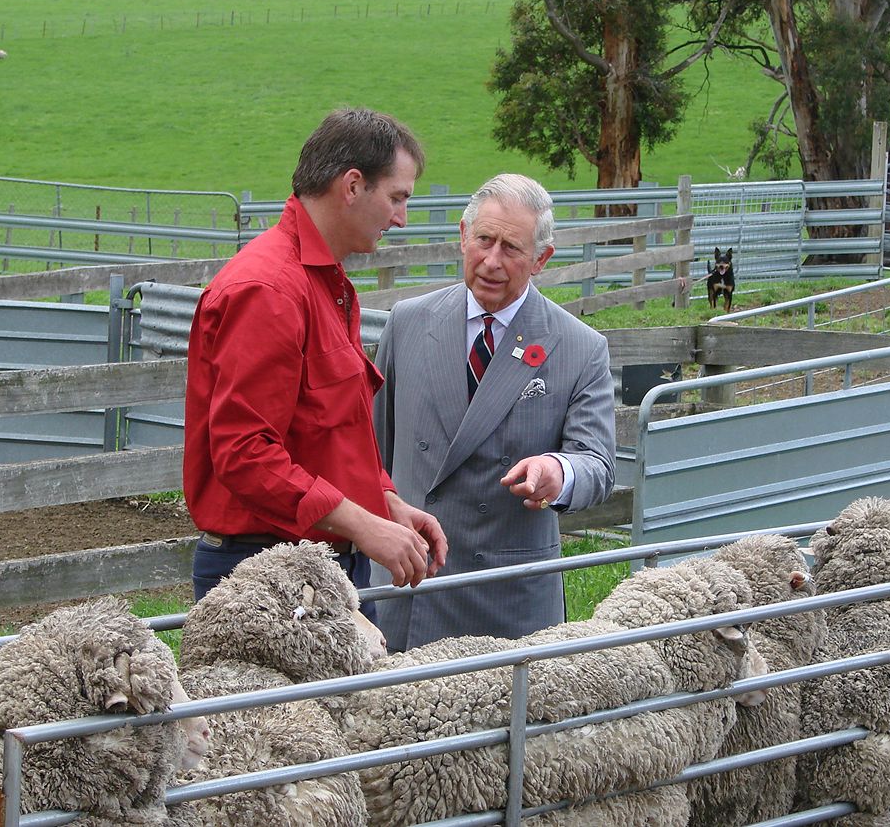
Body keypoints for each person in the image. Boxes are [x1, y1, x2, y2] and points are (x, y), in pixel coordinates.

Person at [184, 107, 448, 616]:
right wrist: (363, 524)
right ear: (352, 186)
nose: (401, 218)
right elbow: (245, 453)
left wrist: (384, 502)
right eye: (396, 198)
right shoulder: (268, 291)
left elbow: (328, 432)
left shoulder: (323, 283)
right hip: (266, 578)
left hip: (317, 567)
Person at [372, 173, 617, 651]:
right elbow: (371, 445)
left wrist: (558, 471)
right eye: (483, 240)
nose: (491, 261)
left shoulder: (579, 347)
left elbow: (599, 465)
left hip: (509, 597)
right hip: (413, 583)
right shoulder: (408, 323)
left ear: (542, 259)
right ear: (463, 235)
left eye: (512, 248)